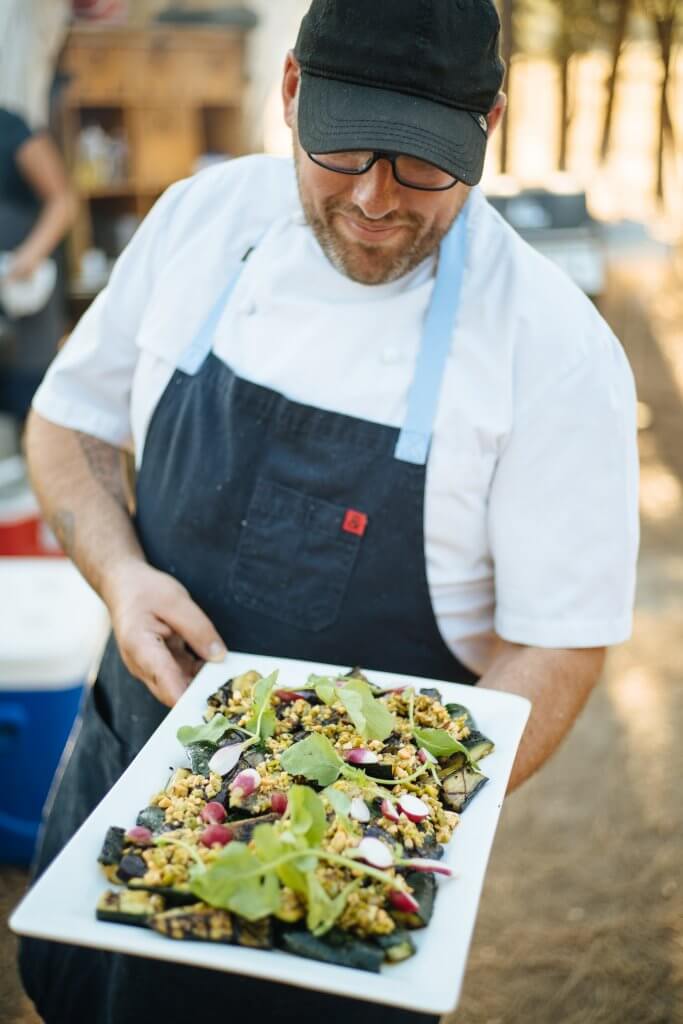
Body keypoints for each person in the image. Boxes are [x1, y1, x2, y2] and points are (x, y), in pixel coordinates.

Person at [19, 1, 639, 1022]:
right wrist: (122, 579)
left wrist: (378, 829)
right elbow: (67, 425)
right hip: (125, 781)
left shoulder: (553, 354)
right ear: (292, 90)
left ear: (487, 125)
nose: (373, 198)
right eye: (344, 149)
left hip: (340, 880)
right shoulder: (201, 222)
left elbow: (558, 644)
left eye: (422, 163)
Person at [0, 106, 76, 423]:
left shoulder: (10, 128)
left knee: (31, 401)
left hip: (24, 294)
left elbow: (63, 200)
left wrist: (26, 259)